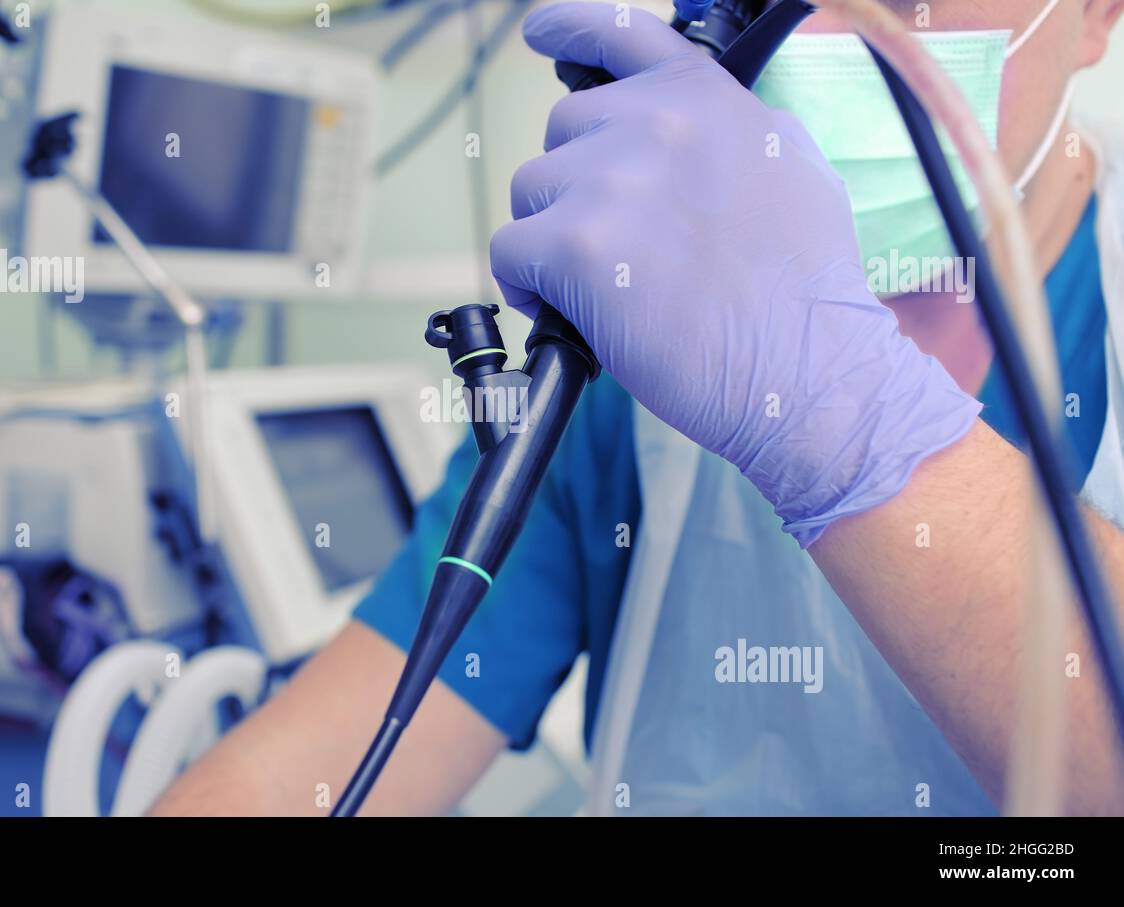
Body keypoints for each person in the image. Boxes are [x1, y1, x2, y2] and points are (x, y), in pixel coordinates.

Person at [153, 0, 1124, 816]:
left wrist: (838, 402)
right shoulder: (637, 356)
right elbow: (311, 764)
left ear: (1092, 13)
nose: (825, 30)